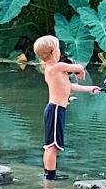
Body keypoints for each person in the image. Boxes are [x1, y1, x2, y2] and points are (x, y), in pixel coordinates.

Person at [33, 35, 100, 180]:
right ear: (53, 52)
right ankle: (50, 176)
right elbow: (79, 67)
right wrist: (80, 71)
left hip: (56, 110)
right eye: (58, 48)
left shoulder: (55, 70)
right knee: (53, 146)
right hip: (55, 110)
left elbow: (68, 87)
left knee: (50, 145)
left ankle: (48, 172)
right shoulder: (56, 67)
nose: (60, 51)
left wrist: (90, 88)